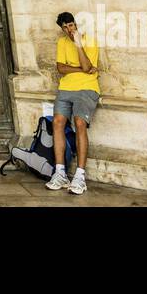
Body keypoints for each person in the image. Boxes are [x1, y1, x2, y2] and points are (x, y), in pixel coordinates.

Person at [46, 11, 99, 195]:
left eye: (71, 25)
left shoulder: (89, 40)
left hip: (87, 88)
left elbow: (87, 66)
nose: (69, 30)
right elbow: (61, 68)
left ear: (76, 24)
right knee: (58, 122)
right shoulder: (61, 42)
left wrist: (78, 45)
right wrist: (81, 69)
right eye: (65, 27)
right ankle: (60, 172)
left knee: (79, 123)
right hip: (66, 88)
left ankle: (80, 176)